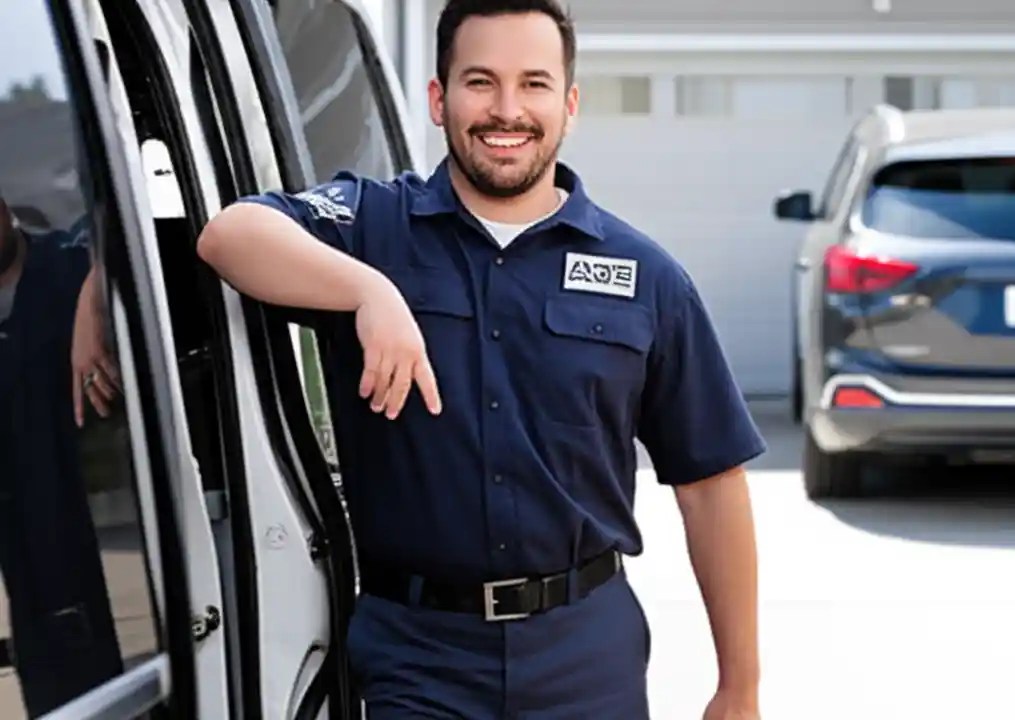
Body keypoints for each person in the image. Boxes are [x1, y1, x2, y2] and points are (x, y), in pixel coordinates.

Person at [196, 0, 765, 717]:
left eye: (533, 83)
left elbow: (710, 486)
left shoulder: (646, 277)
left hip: (585, 655)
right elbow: (230, 235)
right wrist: (368, 290)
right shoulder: (372, 226)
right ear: (439, 99)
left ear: (569, 103)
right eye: (479, 81)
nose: (507, 111)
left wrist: (739, 684)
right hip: (416, 657)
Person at [0, 193, 123, 715]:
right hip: (27, 602)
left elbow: (129, 224)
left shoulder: (73, 267)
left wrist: (95, 291)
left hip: (122, 563)